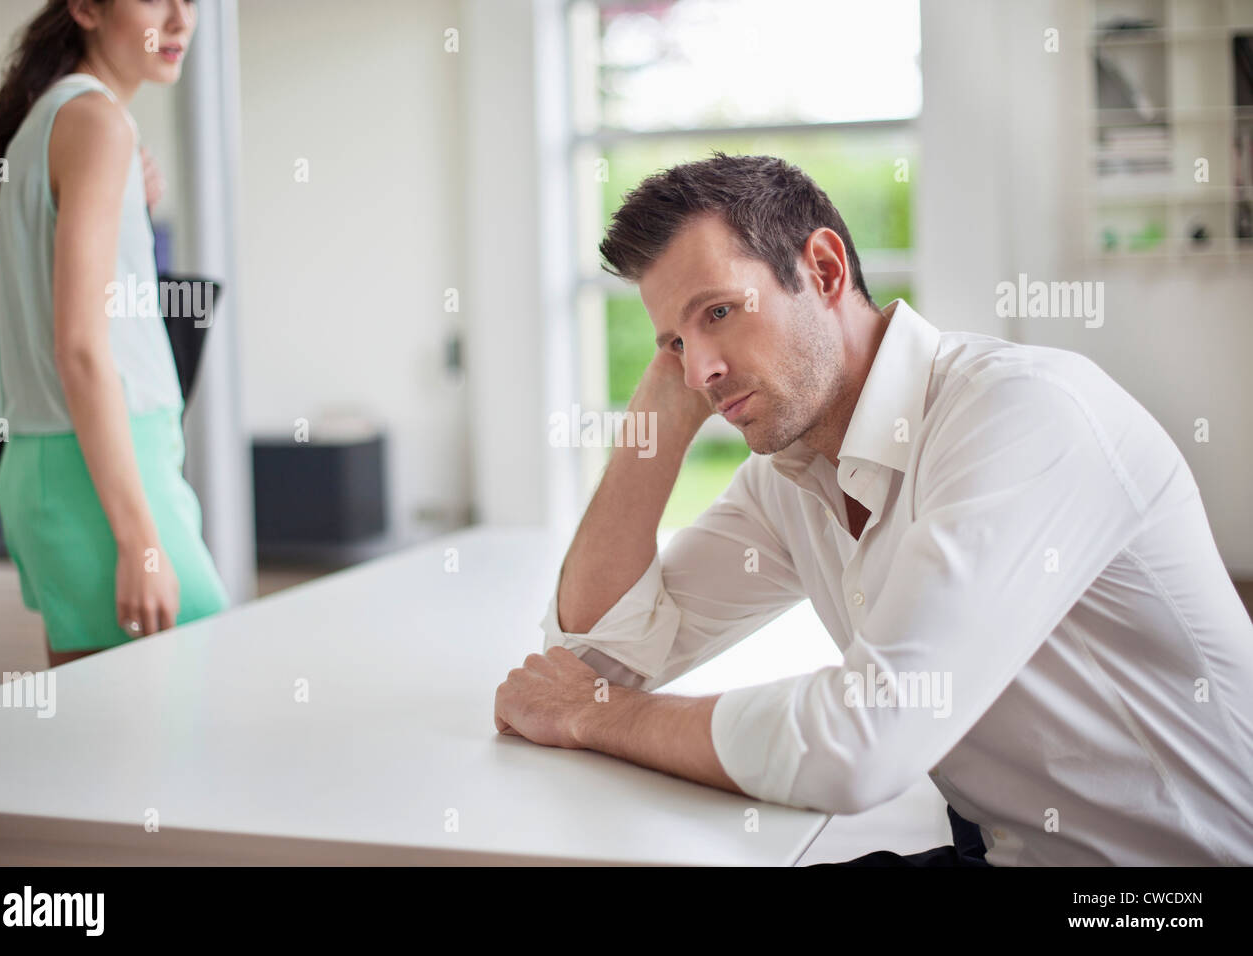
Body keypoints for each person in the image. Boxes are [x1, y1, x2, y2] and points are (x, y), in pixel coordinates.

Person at [493, 152, 1253, 866]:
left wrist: (597, 717)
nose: (701, 369)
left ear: (822, 269)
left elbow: (862, 743)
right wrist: (656, 418)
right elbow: (594, 661)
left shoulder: (1023, 414)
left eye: (718, 313)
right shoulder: (789, 475)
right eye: (674, 344)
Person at [0, 0, 227, 669]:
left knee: (108, 741)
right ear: (85, 8)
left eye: (190, 1)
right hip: (101, 465)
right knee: (187, 712)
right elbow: (79, 347)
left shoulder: (43, 123)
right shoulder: (99, 124)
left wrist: (123, 206)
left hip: (48, 468)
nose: (179, 20)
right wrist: (139, 540)